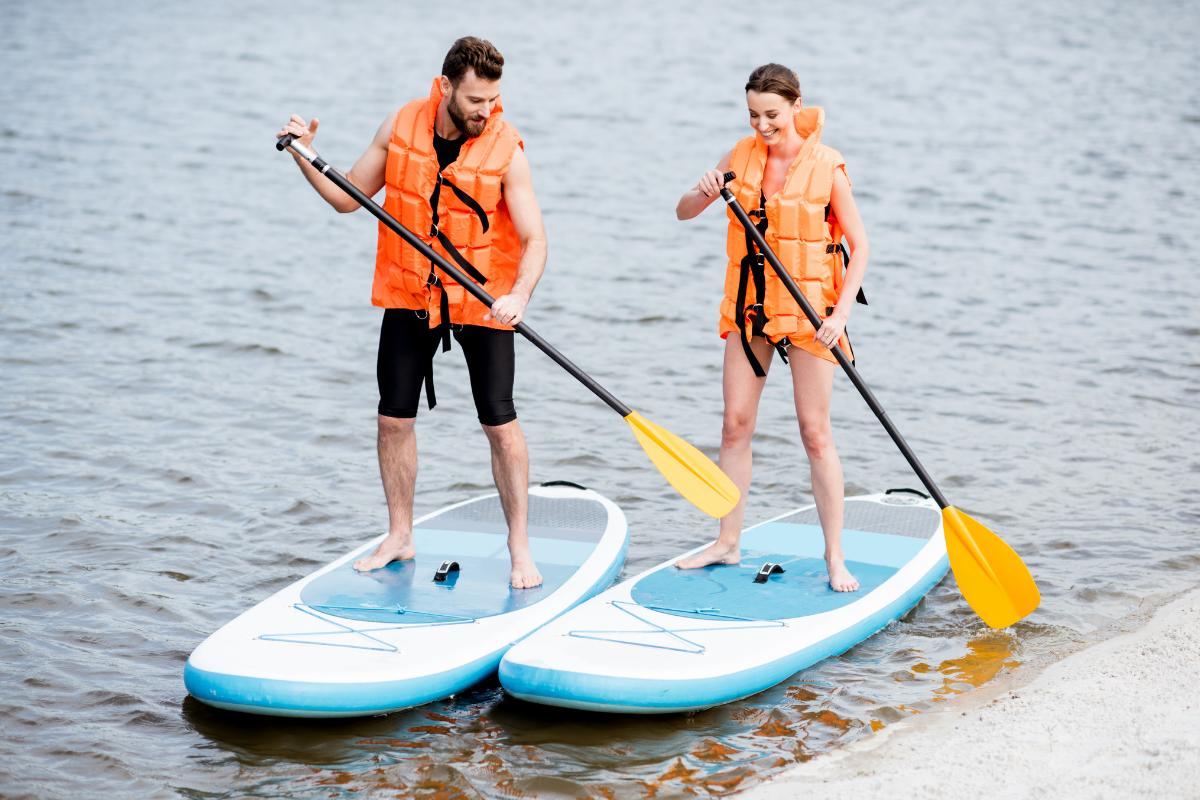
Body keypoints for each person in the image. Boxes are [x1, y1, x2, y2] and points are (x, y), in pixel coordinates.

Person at [277, 36, 547, 588]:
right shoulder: (400, 125)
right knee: (392, 419)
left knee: (500, 423)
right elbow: (347, 197)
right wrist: (303, 153)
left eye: (493, 99)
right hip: (413, 292)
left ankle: (520, 547)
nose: (487, 110)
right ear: (445, 87)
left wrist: (519, 296)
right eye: (475, 100)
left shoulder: (507, 147)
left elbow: (536, 239)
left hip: (483, 297)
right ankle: (399, 535)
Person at [674, 63, 869, 592]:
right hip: (752, 311)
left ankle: (835, 556)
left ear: (796, 106)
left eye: (772, 115)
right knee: (734, 425)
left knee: (815, 433)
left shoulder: (828, 166)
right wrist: (703, 188)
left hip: (811, 315)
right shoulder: (739, 156)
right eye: (753, 115)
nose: (762, 126)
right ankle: (727, 541)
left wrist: (840, 315)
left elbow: (861, 246)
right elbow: (684, 212)